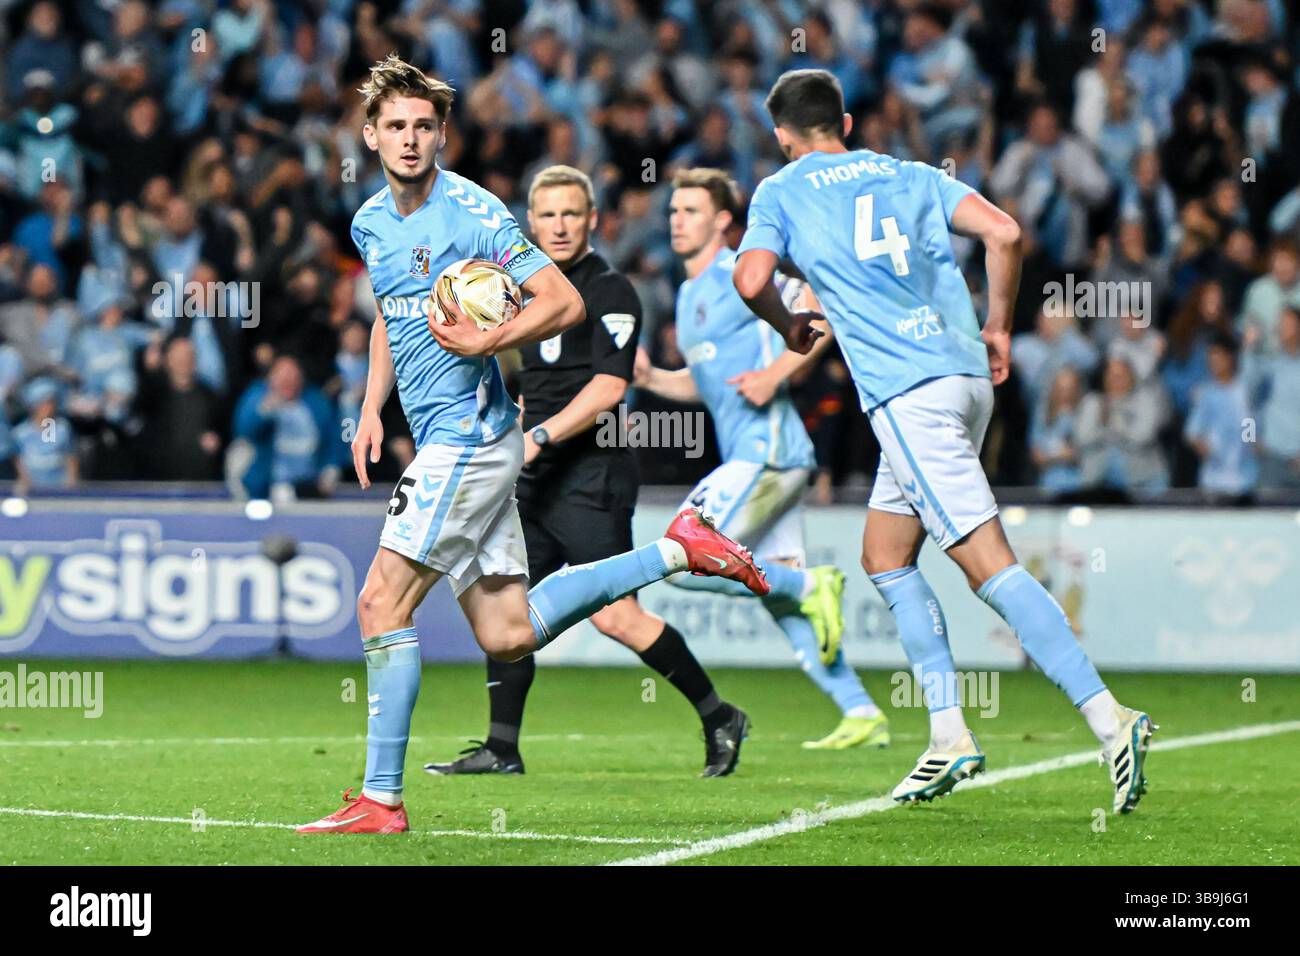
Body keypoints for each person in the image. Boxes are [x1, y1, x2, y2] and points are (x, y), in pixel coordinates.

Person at [297, 56, 766, 835]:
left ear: (442, 134)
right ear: (372, 137)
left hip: (469, 440)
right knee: (507, 633)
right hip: (455, 438)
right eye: (396, 127)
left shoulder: (475, 213)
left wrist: (492, 339)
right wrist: (373, 403)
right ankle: (678, 552)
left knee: (380, 602)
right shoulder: (370, 221)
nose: (410, 140)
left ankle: (381, 800)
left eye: (423, 127)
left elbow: (563, 297)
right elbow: (391, 312)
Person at [731, 68, 1154, 814]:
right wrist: (998, 324)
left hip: (906, 394)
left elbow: (750, 277)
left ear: (782, 136)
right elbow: (1006, 232)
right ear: (848, 123)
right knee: (885, 557)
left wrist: (784, 324)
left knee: (986, 565)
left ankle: (1108, 716)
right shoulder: (912, 173)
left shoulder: (780, 191)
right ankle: (948, 733)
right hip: (965, 375)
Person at [426, 164, 750, 779]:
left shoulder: (610, 291)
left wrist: (541, 436)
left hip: (592, 472)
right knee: (506, 605)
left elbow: (608, 388)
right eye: (546, 215)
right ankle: (502, 748)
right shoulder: (520, 289)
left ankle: (718, 714)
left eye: (571, 214)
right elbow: (531, 383)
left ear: (593, 219)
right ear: (530, 222)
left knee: (615, 616)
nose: (559, 226)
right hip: (532, 473)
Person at [635, 167, 890, 751]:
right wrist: (654, 380)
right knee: (770, 595)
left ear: (723, 220)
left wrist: (777, 371)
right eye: (674, 211)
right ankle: (860, 711)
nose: (678, 221)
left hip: (767, 454)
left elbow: (822, 304)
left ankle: (809, 583)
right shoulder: (689, 291)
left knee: (685, 557)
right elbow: (712, 385)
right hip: (766, 463)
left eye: (692, 211)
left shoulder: (739, 272)